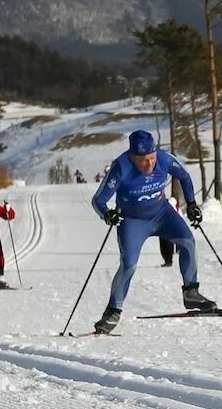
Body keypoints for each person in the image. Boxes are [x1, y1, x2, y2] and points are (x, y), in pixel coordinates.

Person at [90, 130, 213, 334]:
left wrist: (191, 204)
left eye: (152, 158)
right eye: (142, 161)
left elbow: (184, 176)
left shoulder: (164, 158)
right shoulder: (121, 167)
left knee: (188, 242)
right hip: (132, 221)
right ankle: (113, 311)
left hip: (162, 213)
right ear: (132, 156)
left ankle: (191, 293)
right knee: (129, 265)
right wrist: (107, 214)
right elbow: (98, 200)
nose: (149, 165)